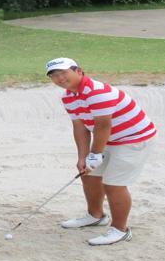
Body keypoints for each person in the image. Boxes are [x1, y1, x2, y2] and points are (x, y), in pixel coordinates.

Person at [44, 57, 155, 246]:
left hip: (133, 139)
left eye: (64, 73)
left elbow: (103, 125)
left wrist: (95, 155)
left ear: (78, 71)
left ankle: (120, 230)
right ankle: (95, 216)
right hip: (110, 138)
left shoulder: (97, 92)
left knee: (113, 184)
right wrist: (83, 157)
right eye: (54, 76)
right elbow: (80, 127)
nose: (60, 78)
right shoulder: (69, 96)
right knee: (88, 174)